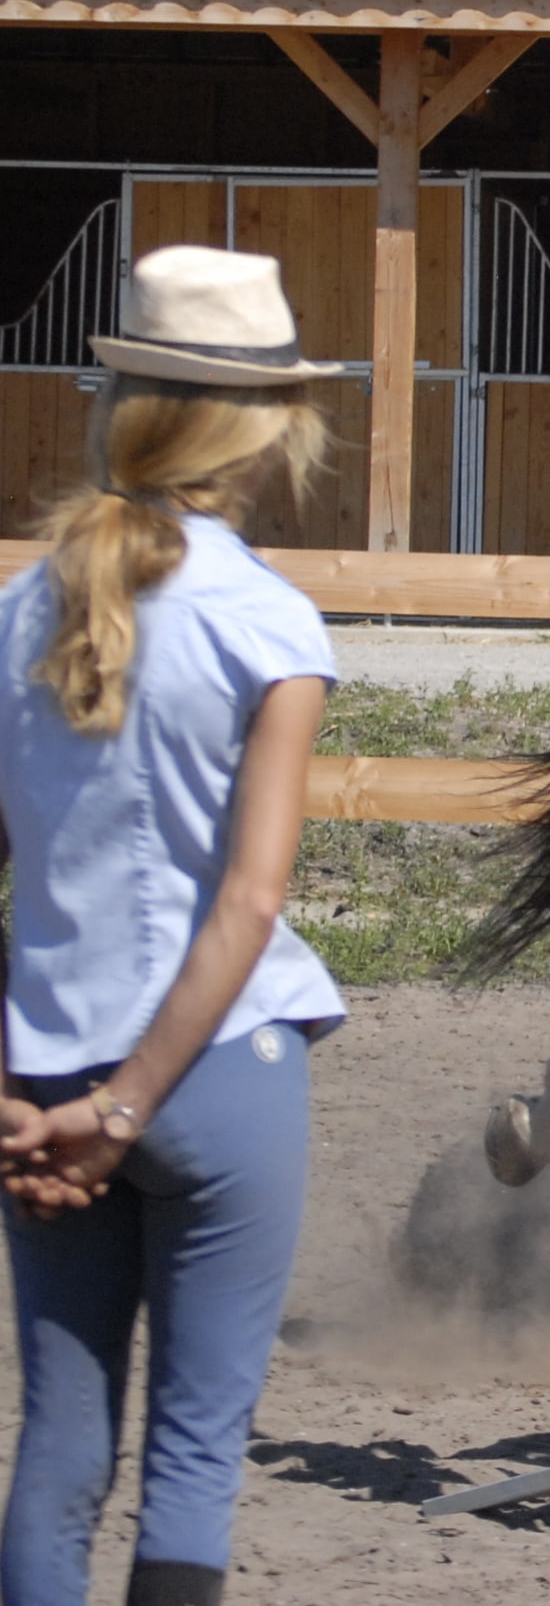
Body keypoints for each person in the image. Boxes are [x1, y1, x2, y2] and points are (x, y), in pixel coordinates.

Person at [0, 247, 343, 1606]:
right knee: (195, 1454)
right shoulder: (268, 621)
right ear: (262, 432)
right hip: (212, 1079)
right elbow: (250, 904)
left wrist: (29, 1102)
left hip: (42, 1074)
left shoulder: (19, 611)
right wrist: (134, 1104)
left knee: (57, 1447)